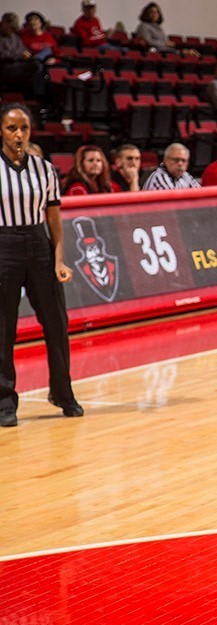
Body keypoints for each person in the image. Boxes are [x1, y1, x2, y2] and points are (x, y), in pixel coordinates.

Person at [0, 103, 84, 427]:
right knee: (4, 328)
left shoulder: (45, 170)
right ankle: (5, 401)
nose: (18, 134)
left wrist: (59, 259)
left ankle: (62, 392)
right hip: (4, 245)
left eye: (24, 128)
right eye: (11, 128)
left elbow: (54, 219)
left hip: (39, 245)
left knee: (56, 323)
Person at [0, 13, 45, 98]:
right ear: (4, 24)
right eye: (9, 27)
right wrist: (20, 54)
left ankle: (38, 95)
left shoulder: (15, 37)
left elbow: (24, 50)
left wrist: (26, 54)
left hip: (20, 63)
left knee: (38, 65)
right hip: (7, 66)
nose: (11, 30)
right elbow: (3, 54)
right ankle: (39, 96)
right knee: (36, 65)